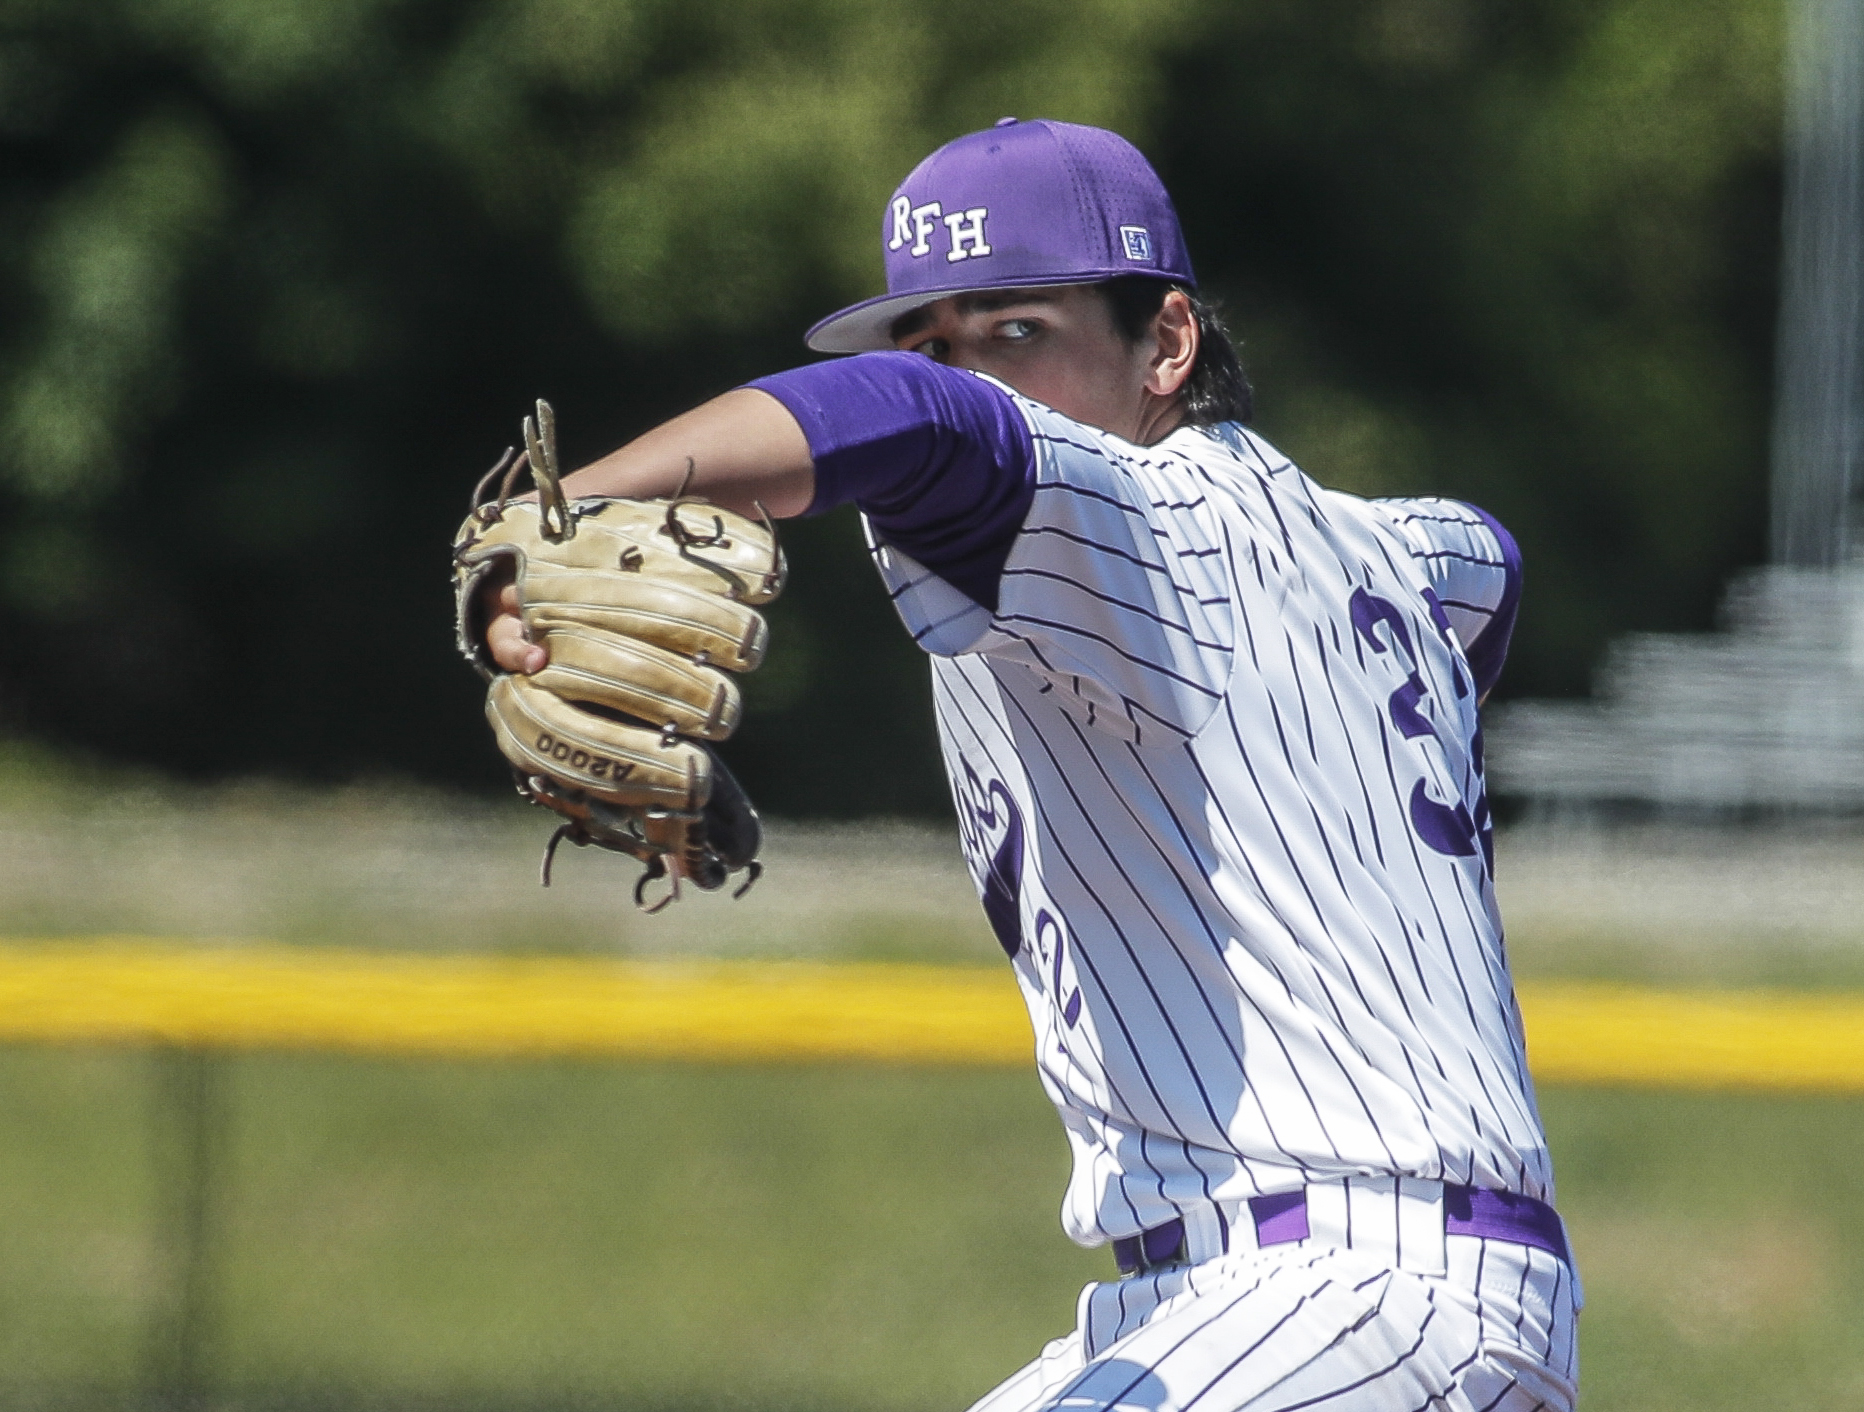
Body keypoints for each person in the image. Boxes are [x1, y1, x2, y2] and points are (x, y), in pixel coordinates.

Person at [484, 117, 1578, 1412]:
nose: (973, 377)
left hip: (1345, 1289)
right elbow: (1489, 572)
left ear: (1167, 345)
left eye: (1015, 335)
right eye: (935, 340)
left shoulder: (1151, 518)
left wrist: (567, 516)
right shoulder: (1391, 545)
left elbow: (912, 419)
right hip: (1263, 1304)